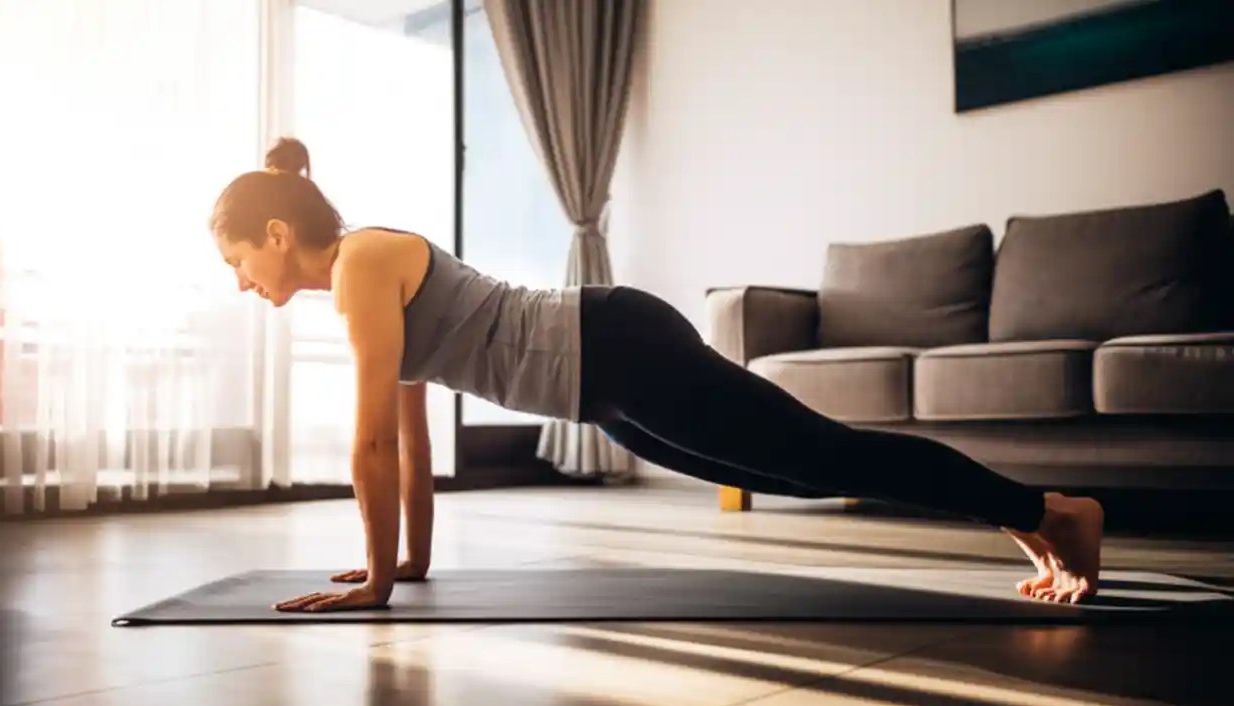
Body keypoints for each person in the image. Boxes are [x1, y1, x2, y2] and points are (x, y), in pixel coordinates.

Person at [210, 138, 1104, 614]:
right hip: (599, 386)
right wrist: (402, 564)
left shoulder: (363, 263)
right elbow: (408, 441)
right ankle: (1027, 515)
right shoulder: (362, 281)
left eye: (238, 261)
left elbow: (367, 438)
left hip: (614, 344)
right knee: (785, 471)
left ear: (278, 235)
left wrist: (370, 584)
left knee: (819, 457)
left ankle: (1051, 513)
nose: (243, 283)